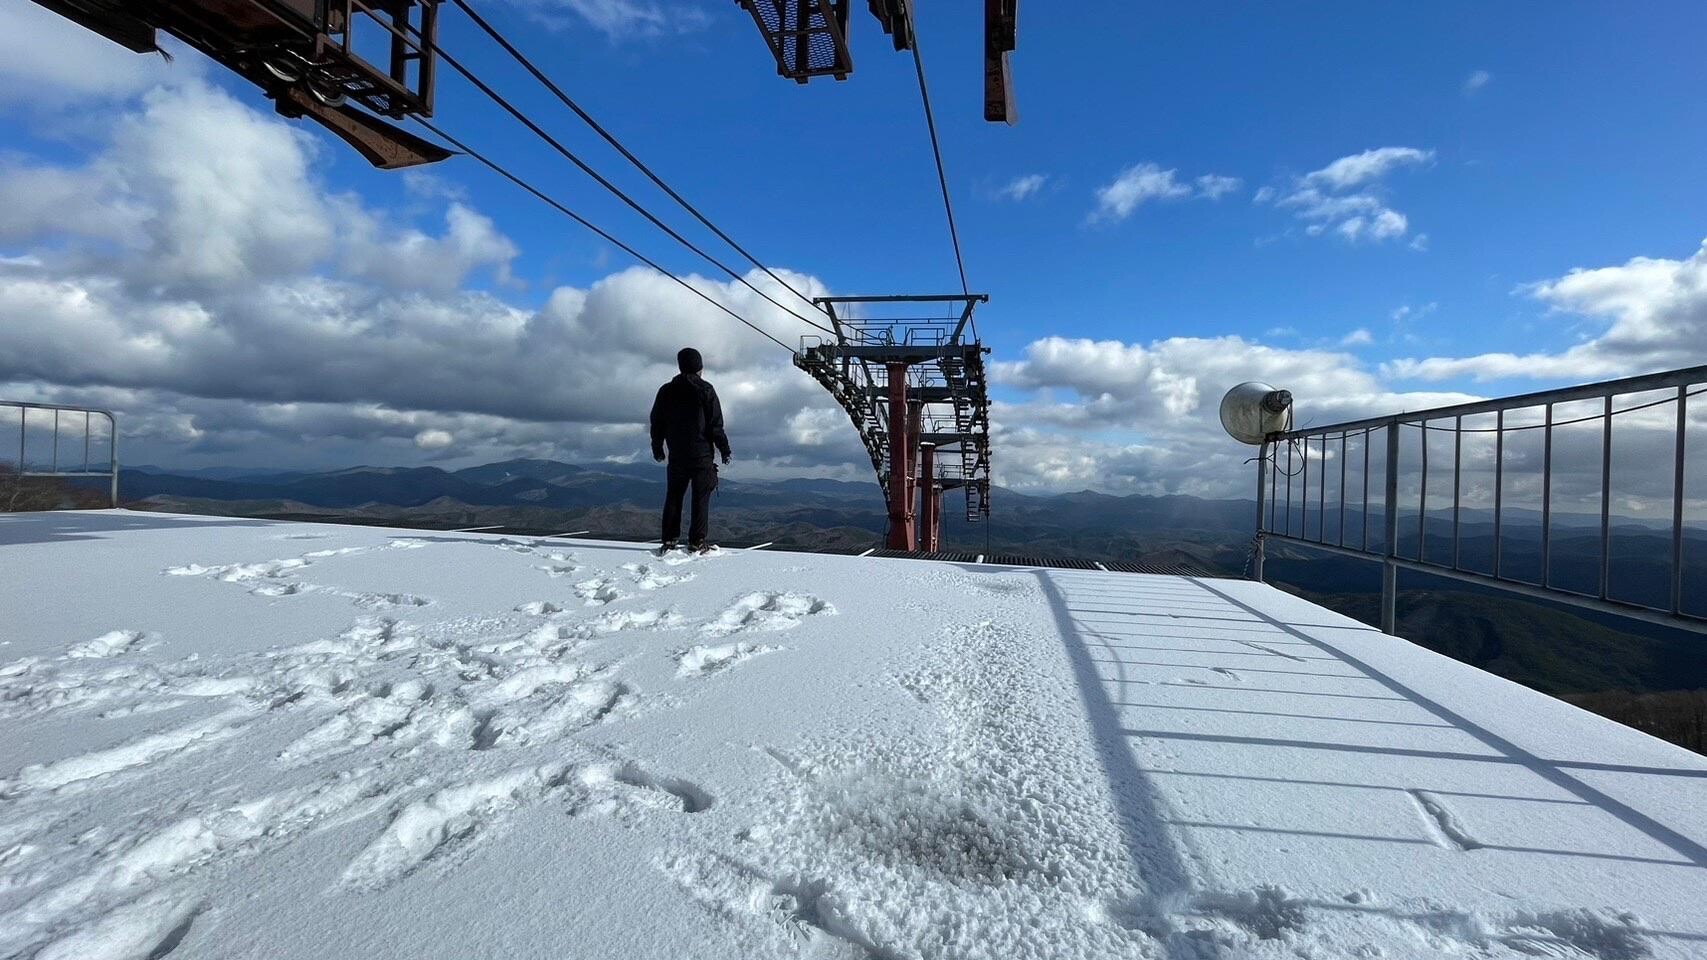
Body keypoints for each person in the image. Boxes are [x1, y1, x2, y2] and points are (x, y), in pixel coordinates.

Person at [650, 347, 732, 553]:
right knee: (700, 498)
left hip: (677, 454)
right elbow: (715, 425)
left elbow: (657, 422)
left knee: (674, 496)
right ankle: (697, 542)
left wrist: (657, 448)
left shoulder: (666, 391)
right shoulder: (706, 390)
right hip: (702, 455)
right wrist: (725, 450)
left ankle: (669, 540)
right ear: (699, 367)